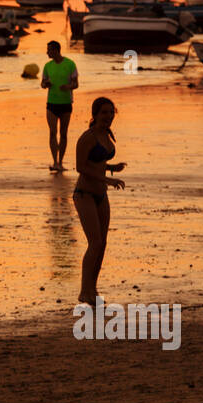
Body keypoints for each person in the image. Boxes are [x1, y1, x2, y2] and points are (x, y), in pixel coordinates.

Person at [72, 97, 126, 304]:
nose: (108, 116)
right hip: (84, 194)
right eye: (104, 112)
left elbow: (98, 162)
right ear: (94, 114)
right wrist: (108, 180)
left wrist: (113, 168)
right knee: (94, 242)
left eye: (111, 112)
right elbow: (81, 167)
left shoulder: (106, 134)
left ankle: (93, 290)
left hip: (101, 195)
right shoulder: (87, 137)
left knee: (102, 243)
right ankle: (84, 291)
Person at [40, 40, 78, 172]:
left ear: (56, 50)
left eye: (49, 50)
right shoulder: (47, 66)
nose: (47, 52)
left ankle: (61, 162)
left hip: (66, 103)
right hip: (51, 104)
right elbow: (42, 83)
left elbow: (76, 84)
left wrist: (67, 87)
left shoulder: (70, 64)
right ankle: (55, 162)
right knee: (52, 132)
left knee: (63, 133)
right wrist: (46, 84)